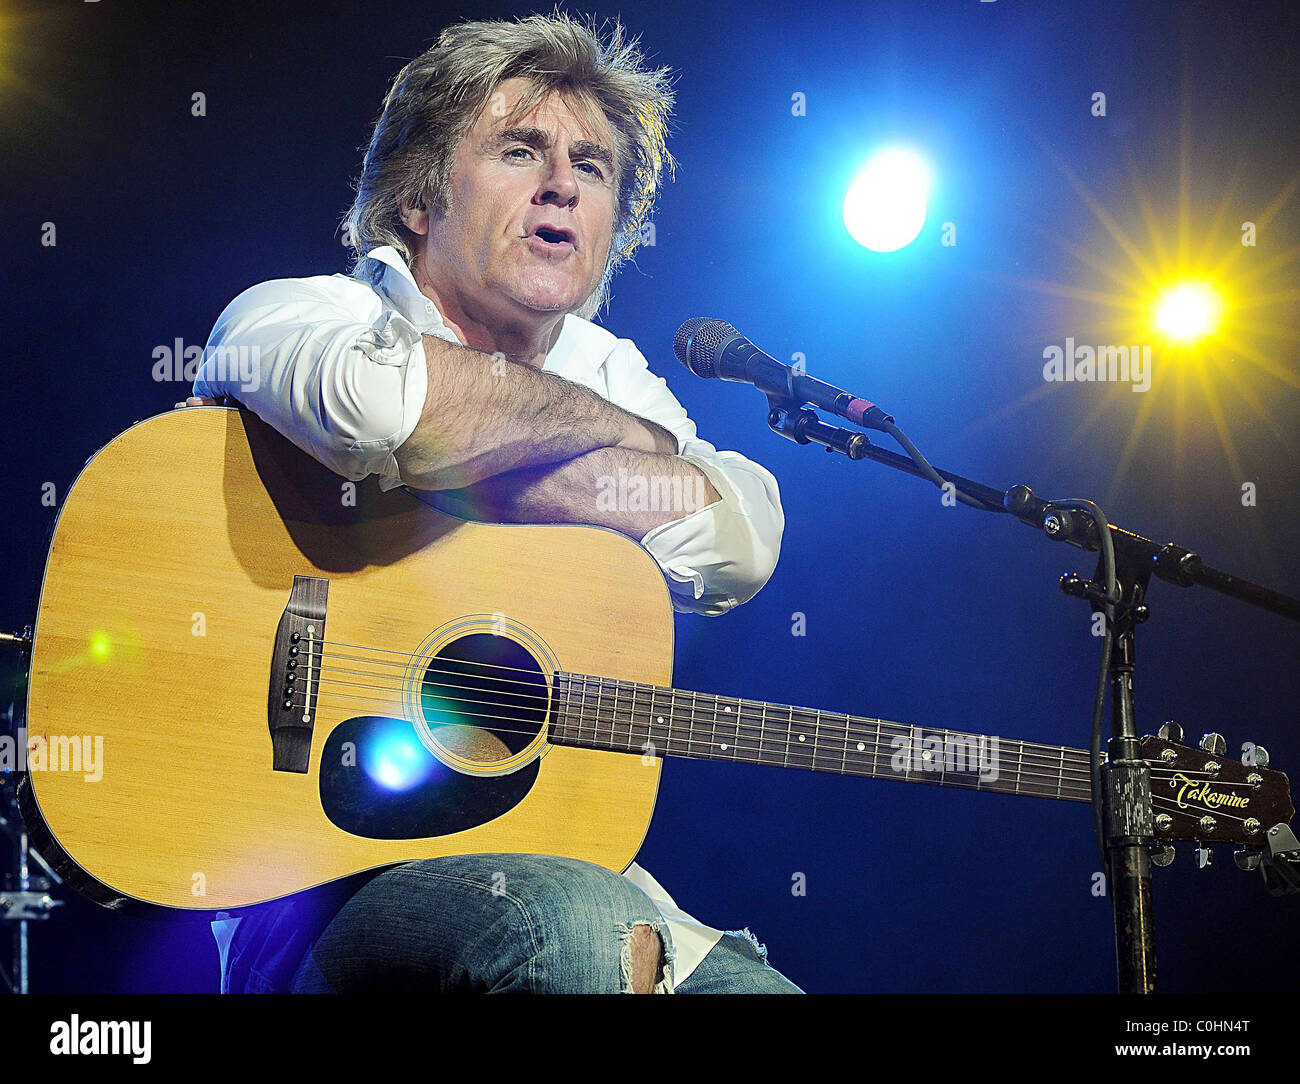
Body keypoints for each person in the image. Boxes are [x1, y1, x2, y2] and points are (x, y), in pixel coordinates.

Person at [189, 12, 799, 994]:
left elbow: (735, 545)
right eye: (521, 150)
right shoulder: (295, 315)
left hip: (576, 874)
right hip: (312, 888)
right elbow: (378, 407)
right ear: (421, 197)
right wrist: (614, 446)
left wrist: (489, 434)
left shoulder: (613, 370)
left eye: (592, 168)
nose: (562, 182)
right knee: (568, 927)